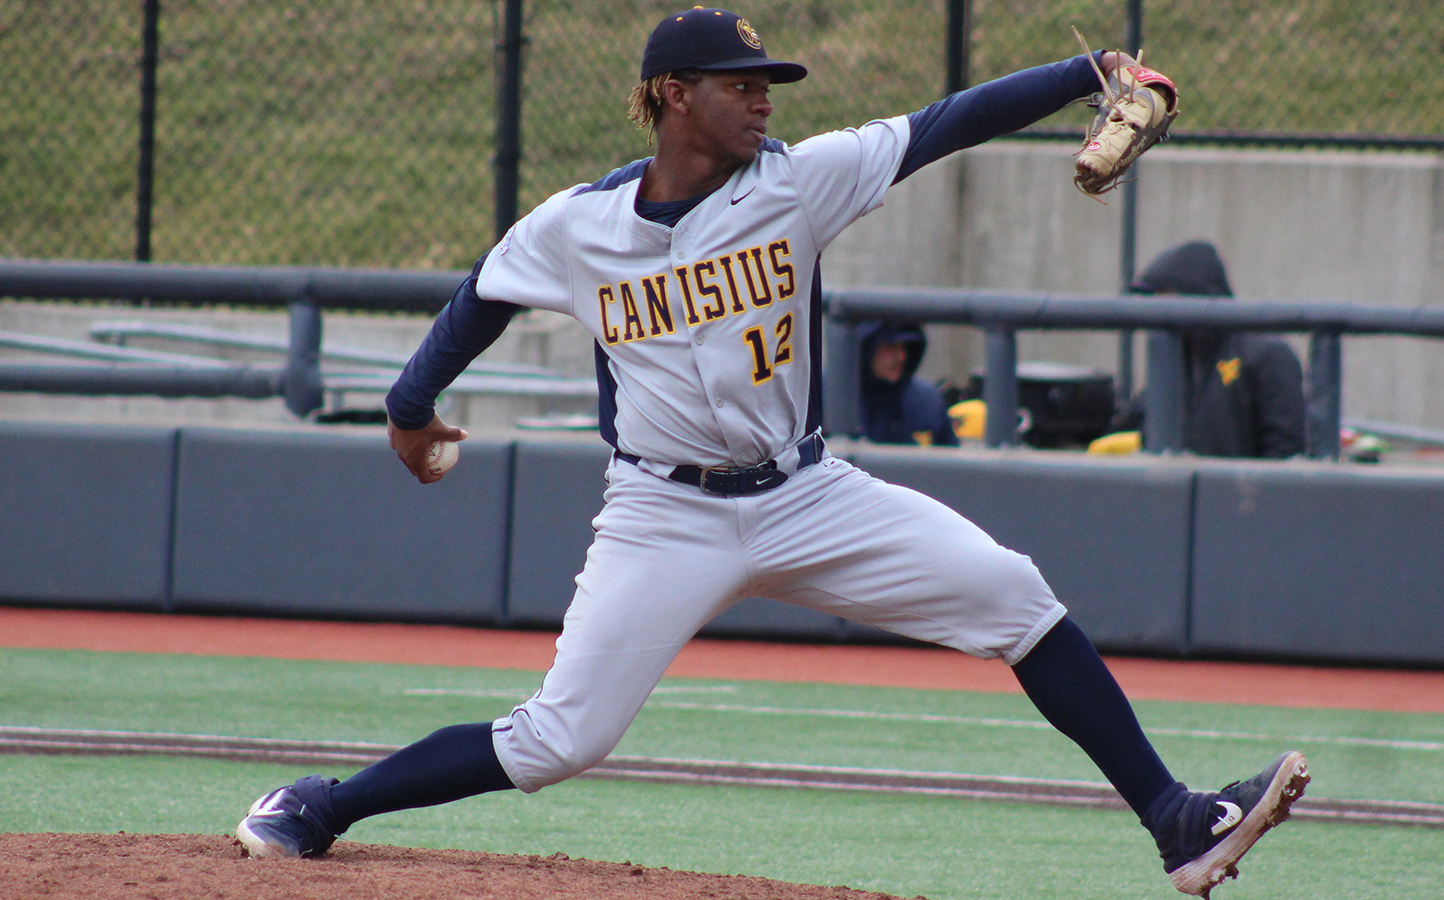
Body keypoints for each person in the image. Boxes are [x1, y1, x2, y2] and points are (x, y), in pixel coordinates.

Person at [234, 10, 1308, 897]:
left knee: (1013, 595)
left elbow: (950, 121)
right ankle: (320, 805)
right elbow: (483, 297)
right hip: (663, 515)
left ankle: (1176, 821)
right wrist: (408, 408)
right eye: (738, 82)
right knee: (559, 742)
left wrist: (1087, 71)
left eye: (767, 82)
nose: (763, 97)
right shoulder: (579, 225)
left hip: (807, 494)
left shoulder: (800, 180)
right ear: (669, 95)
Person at [1123, 240, 1307, 458]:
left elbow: (1286, 451)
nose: (1154, 310)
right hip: (1181, 490)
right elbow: (1137, 427)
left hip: (1243, 489)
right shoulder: (1175, 361)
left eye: (1163, 295)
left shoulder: (1265, 354)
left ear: (1190, 293)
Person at [856, 319, 958, 447]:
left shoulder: (927, 402)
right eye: (890, 346)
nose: (901, 357)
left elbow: (951, 461)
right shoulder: (829, 397)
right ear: (866, 347)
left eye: (905, 346)